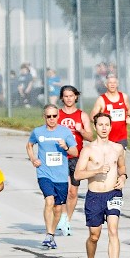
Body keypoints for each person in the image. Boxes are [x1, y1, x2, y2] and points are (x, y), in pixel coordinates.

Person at [76, 111, 128, 258]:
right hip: (94, 196)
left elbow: (122, 167)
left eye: (107, 125)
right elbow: (77, 174)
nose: (104, 128)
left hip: (113, 194)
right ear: (95, 127)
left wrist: (123, 177)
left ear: (111, 127)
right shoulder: (88, 150)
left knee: (113, 230)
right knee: (94, 235)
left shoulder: (118, 148)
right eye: (100, 125)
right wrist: (97, 170)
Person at [27, 104, 80, 249]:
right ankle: (48, 234)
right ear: (44, 117)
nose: (51, 119)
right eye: (48, 116)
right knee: (49, 201)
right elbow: (29, 145)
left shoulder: (65, 132)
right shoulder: (38, 132)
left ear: (58, 116)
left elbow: (75, 152)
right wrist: (33, 159)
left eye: (54, 116)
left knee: (58, 209)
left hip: (61, 176)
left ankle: (52, 234)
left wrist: (66, 147)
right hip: (44, 173)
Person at [55, 85, 90, 235]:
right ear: (62, 98)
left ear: (76, 97)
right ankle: (63, 217)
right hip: (60, 157)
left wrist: (80, 130)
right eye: (66, 96)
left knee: (73, 192)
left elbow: (90, 137)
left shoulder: (82, 115)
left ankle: (67, 220)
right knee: (64, 190)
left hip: (76, 157)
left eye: (71, 96)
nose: (69, 99)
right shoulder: (56, 114)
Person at [90, 74, 130, 148]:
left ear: (117, 84)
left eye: (114, 83)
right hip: (106, 138)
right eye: (110, 83)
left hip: (121, 137)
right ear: (106, 85)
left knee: (121, 155)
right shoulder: (101, 99)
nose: (112, 85)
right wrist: (101, 124)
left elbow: (129, 110)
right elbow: (92, 117)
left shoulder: (124, 97)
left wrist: (128, 117)